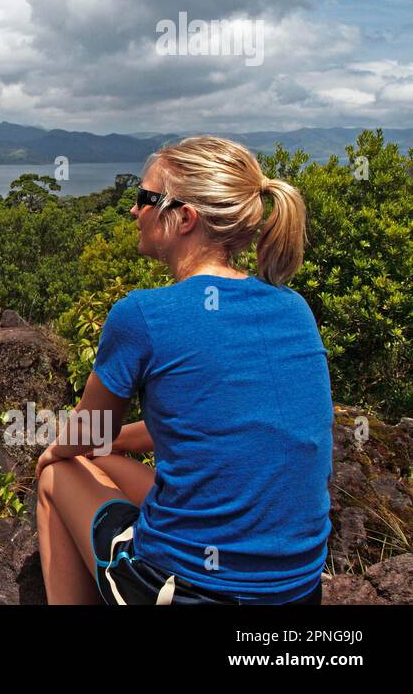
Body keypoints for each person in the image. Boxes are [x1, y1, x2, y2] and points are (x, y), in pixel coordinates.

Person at [36, 135, 333, 604]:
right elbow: (209, 421)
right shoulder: (293, 308)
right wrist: (107, 444)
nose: (134, 211)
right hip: (297, 588)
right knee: (102, 457)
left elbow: (84, 431)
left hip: (193, 591)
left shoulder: (144, 315)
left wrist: (54, 450)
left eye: (144, 199)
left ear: (184, 218)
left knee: (60, 474)